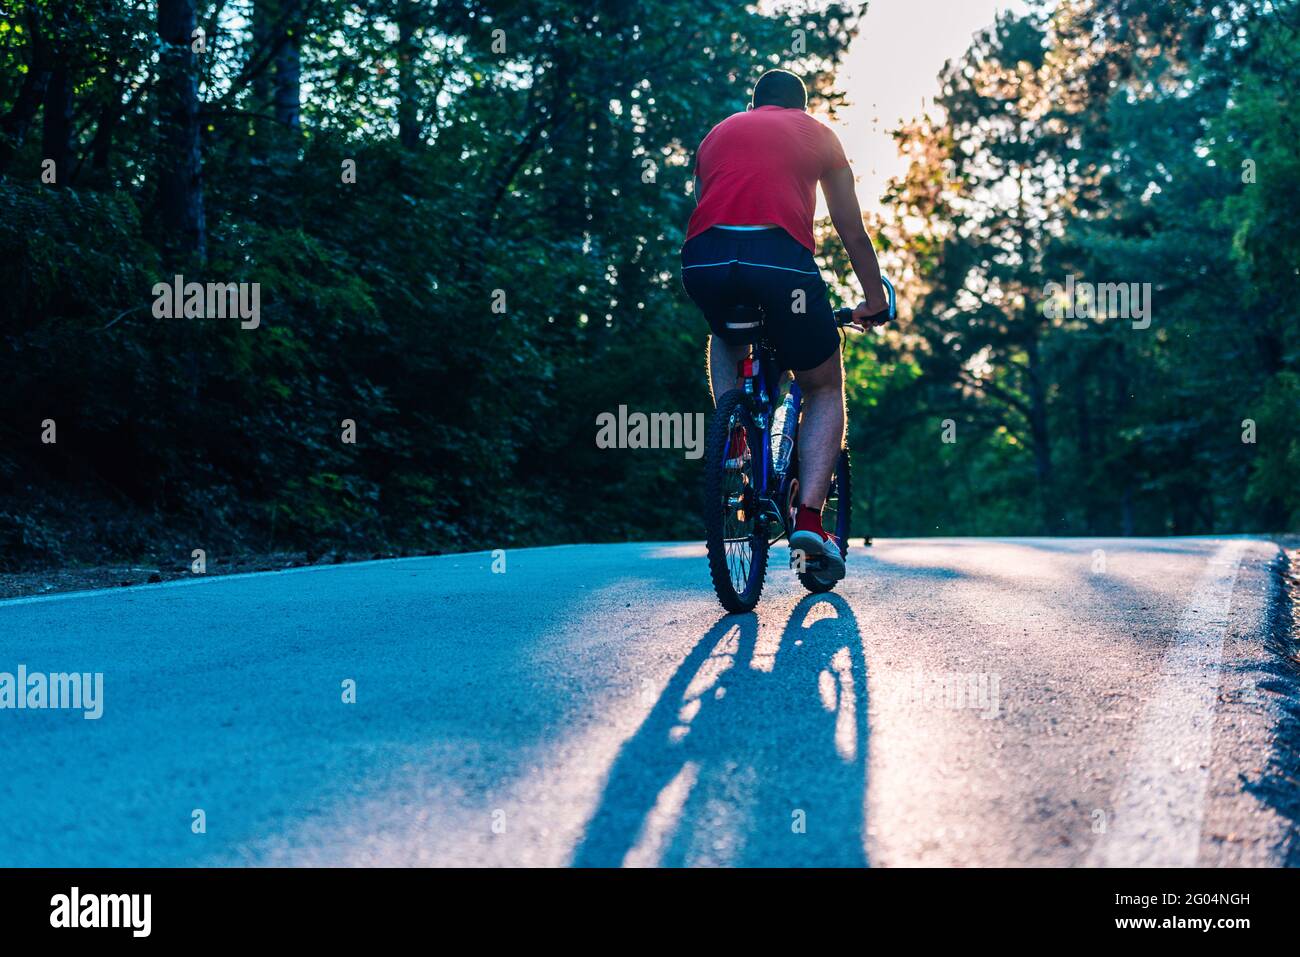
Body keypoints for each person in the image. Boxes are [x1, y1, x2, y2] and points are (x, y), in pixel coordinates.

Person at [680, 68, 890, 581]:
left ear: (755, 105)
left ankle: (736, 443)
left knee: (727, 334)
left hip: (703, 261)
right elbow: (851, 230)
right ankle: (812, 522)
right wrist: (872, 297)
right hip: (779, 263)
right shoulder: (817, 133)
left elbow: (714, 201)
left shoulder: (719, 133)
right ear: (800, 105)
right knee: (823, 384)